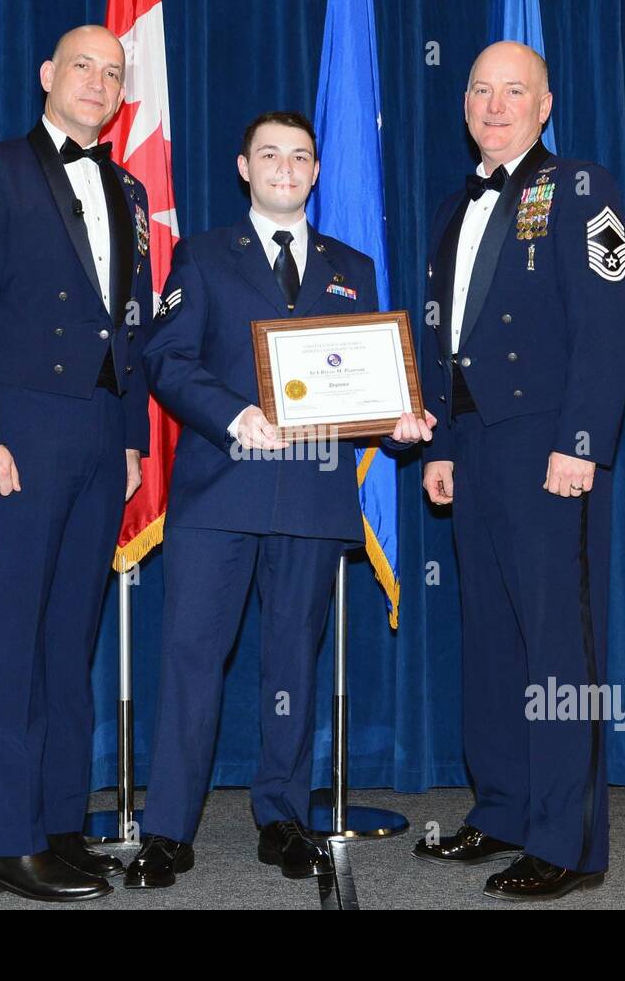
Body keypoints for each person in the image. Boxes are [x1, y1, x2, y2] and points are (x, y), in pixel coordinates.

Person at [126, 111, 435, 889]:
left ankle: (283, 817)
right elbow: (165, 360)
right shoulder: (199, 256)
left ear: (317, 171)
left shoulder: (352, 267)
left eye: (300, 156)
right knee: (192, 660)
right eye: (270, 154)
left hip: (311, 498)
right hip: (218, 494)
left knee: (292, 661)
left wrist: (401, 425)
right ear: (244, 166)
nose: (285, 167)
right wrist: (234, 414)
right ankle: (167, 831)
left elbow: (369, 386)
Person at [0, 25, 152, 902]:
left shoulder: (129, 189)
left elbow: (129, 324)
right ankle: (3, 841)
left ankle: (60, 823)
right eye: (83, 67)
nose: (98, 81)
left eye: (113, 72)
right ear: (47, 74)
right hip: (18, 434)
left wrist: (131, 437)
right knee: (11, 637)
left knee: (71, 641)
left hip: (100, 438)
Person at [414, 41, 625, 900]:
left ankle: (568, 843)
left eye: (515, 91)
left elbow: (608, 329)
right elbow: (444, 344)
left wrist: (581, 443)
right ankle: (503, 809)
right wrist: (440, 446)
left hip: (550, 446)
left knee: (557, 649)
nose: (495, 104)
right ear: (464, 102)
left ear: (545, 107)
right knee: (492, 638)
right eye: (480, 89)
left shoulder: (582, 189)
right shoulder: (450, 207)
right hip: (474, 448)